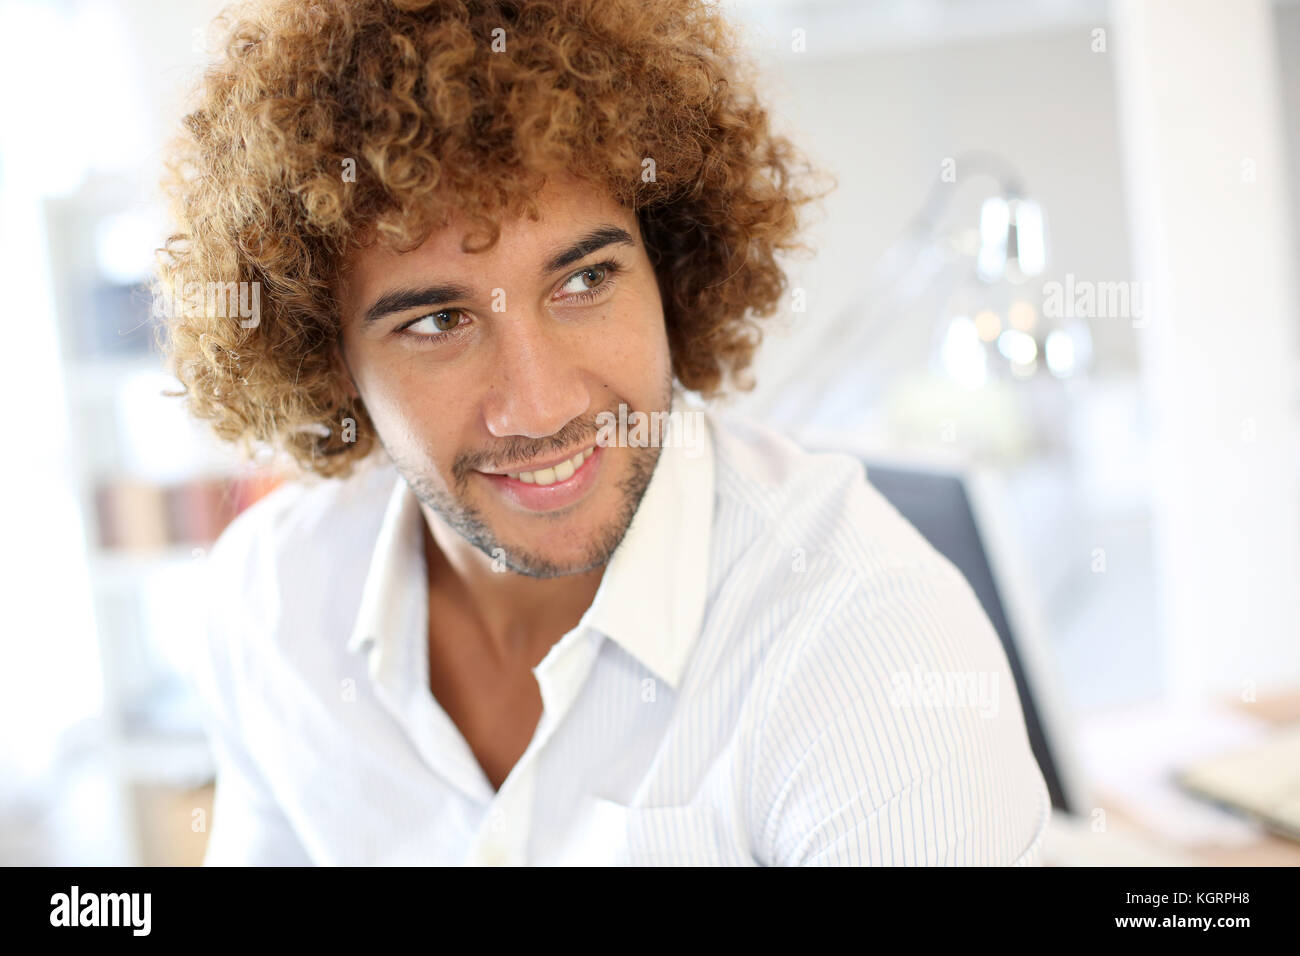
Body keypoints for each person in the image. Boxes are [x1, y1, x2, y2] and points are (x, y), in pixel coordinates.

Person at [158, 0, 1050, 865]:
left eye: (583, 281)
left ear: (670, 264)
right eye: (437, 322)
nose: (540, 408)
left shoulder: (866, 650)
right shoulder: (269, 604)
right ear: (329, 357)